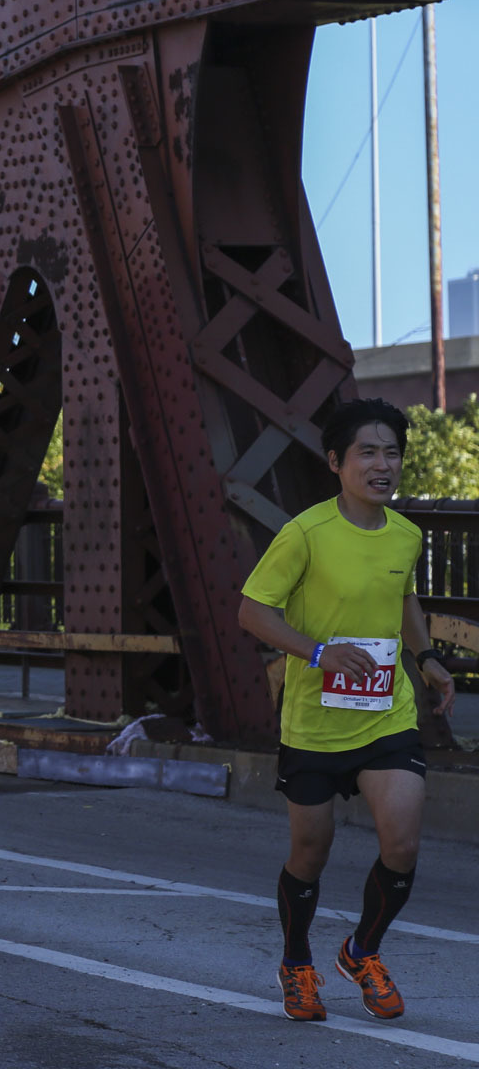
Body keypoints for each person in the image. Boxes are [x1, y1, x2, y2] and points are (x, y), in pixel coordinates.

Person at [238, 398, 455, 1023]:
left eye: (392, 453)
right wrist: (319, 652)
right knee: (311, 851)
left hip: (386, 716)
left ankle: (362, 951)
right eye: (368, 452)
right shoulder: (305, 534)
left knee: (404, 844)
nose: (382, 464)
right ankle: (297, 963)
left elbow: (403, 597)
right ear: (336, 462)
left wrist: (426, 657)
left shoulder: (406, 535)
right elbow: (252, 612)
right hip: (313, 724)